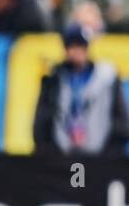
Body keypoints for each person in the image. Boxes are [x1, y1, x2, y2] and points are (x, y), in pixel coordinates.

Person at [33, 25, 129, 156]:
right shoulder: (54, 79)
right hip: (61, 154)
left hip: (100, 156)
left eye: (81, 46)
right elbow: (43, 118)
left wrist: (111, 153)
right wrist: (48, 152)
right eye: (73, 46)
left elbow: (120, 120)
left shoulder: (107, 78)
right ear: (66, 49)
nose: (77, 51)